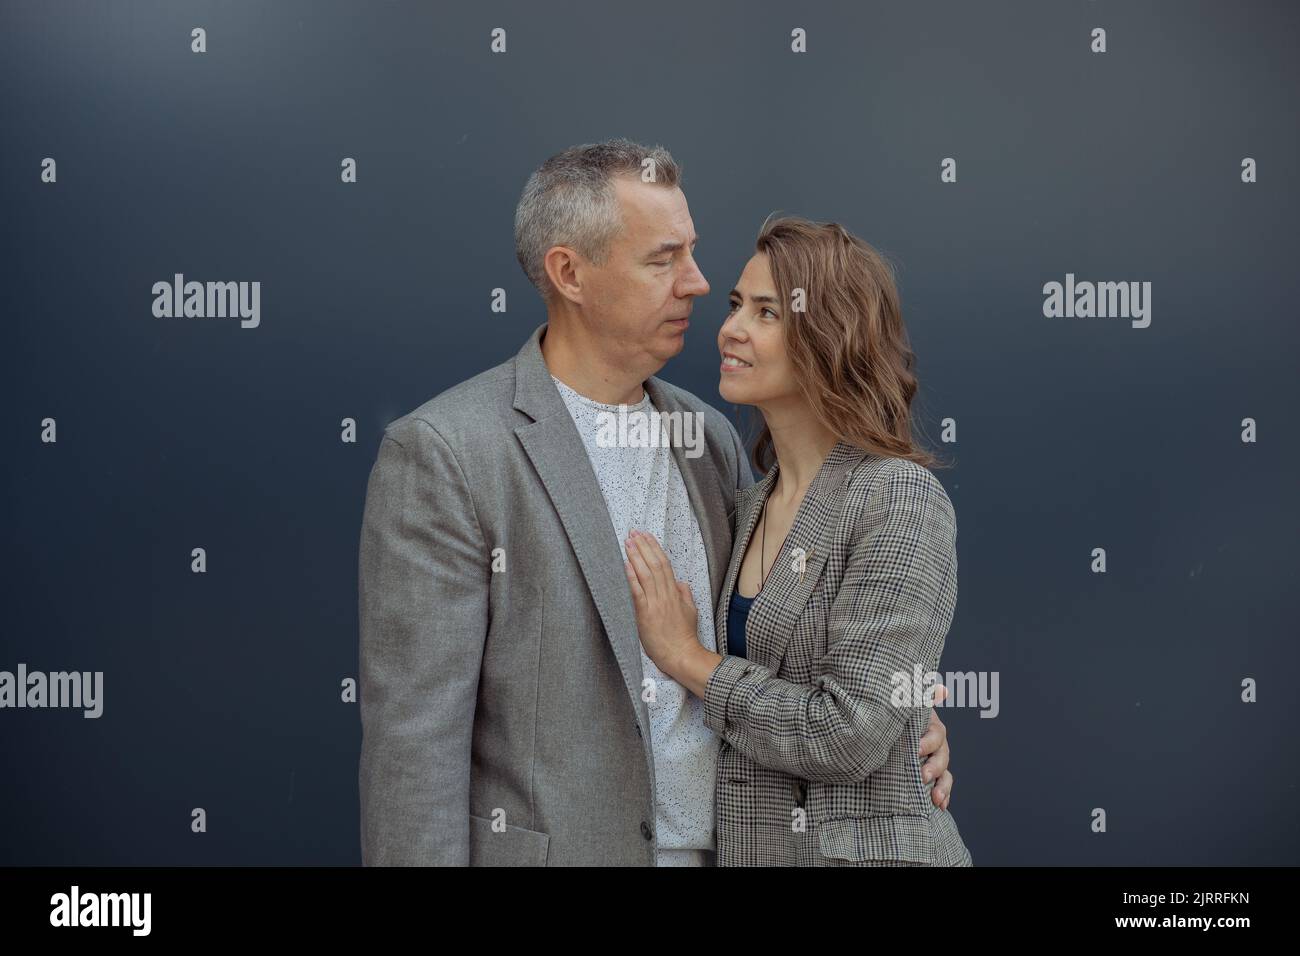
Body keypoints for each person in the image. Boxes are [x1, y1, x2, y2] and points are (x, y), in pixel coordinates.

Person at [358, 139, 955, 866]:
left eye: (694, 254)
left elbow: (801, 653)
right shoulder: (449, 452)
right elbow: (414, 748)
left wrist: (902, 718)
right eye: (662, 260)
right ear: (569, 274)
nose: (699, 286)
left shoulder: (709, 439)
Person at [624, 216, 972, 865]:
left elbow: (849, 734)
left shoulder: (896, 497)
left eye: (766, 313)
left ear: (829, 336)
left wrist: (688, 658)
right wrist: (908, 712)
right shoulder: (745, 504)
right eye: (734, 306)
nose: (730, 329)